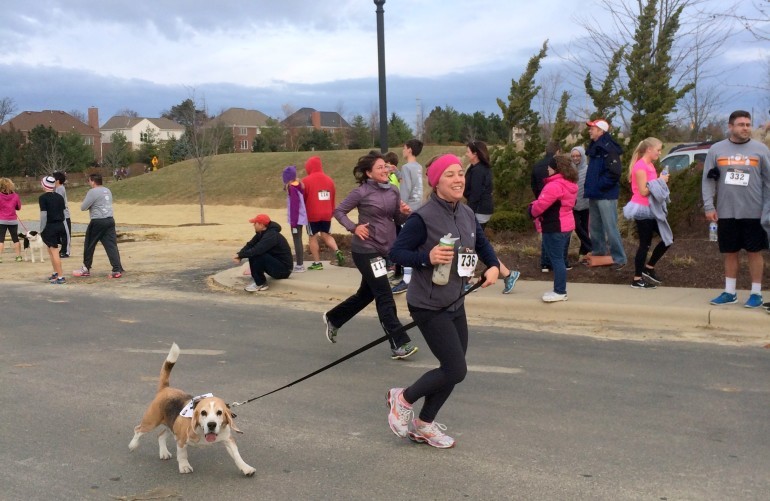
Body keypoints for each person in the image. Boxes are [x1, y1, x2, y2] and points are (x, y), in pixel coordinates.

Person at [387, 153, 501, 449]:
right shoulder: (422, 217)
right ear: (436, 182)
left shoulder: (466, 213)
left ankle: (424, 425)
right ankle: (403, 398)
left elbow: (482, 244)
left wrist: (492, 265)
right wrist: (427, 257)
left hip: (455, 301)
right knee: (455, 369)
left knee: (453, 368)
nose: (458, 179)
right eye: (450, 174)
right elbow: (396, 253)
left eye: (460, 173)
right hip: (428, 304)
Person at [322, 151, 418, 360]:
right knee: (384, 294)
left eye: (386, 166)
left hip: (384, 250)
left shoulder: (393, 190)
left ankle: (334, 318)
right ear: (369, 173)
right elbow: (339, 211)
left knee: (366, 294)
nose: (385, 170)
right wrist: (354, 227)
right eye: (380, 168)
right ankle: (399, 343)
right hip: (366, 250)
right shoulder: (361, 192)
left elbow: (397, 218)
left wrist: (406, 213)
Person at [702, 110, 770, 308]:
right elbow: (708, 180)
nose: (745, 128)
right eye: (741, 124)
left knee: (754, 252)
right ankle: (730, 292)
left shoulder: (760, 149)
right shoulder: (716, 149)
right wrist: (709, 206)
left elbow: (768, 181)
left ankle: (756, 294)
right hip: (726, 211)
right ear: (730, 126)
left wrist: (767, 208)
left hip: (754, 211)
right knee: (730, 252)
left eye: (748, 124)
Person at [464, 140, 520, 293]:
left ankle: (468, 280)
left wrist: (467, 213)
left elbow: (475, 195)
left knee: (471, 245)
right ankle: (507, 274)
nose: (466, 154)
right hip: (481, 209)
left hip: (478, 210)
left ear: (475, 154)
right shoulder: (478, 168)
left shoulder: (478, 171)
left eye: (468, 151)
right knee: (477, 245)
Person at [622, 138, 673, 289]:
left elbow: (652, 186)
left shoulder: (650, 165)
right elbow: (643, 191)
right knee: (645, 244)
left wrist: (660, 181)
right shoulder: (640, 166)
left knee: (668, 238)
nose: (659, 153)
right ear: (649, 149)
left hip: (653, 208)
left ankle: (649, 268)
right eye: (658, 150)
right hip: (643, 208)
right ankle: (637, 279)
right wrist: (660, 180)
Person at [528, 155, 578, 302]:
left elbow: (541, 205)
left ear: (556, 169)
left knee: (556, 259)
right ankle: (559, 288)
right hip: (566, 225)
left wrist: (531, 210)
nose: (547, 170)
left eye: (549, 167)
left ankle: (560, 291)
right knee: (559, 258)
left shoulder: (554, 185)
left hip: (555, 226)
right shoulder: (570, 183)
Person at [584, 118, 627, 269]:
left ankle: (619, 258)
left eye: (592, 128)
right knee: (595, 227)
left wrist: (599, 186)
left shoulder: (609, 148)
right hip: (595, 194)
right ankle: (599, 253)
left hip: (606, 195)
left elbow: (615, 173)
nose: (590, 130)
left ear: (601, 131)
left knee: (610, 227)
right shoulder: (596, 147)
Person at [72, 173, 125, 279]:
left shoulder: (92, 192)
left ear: (92, 181)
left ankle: (86, 268)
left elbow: (83, 207)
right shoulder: (107, 190)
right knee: (111, 245)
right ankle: (117, 269)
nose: (89, 183)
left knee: (89, 244)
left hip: (98, 221)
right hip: (110, 220)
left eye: (89, 181)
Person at [391, 139, 424, 294]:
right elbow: (411, 182)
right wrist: (397, 172)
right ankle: (414, 277)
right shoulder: (417, 167)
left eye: (404, 148)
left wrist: (400, 208)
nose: (403, 150)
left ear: (409, 149)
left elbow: (406, 189)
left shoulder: (406, 167)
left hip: (408, 210)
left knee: (405, 246)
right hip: (418, 208)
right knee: (414, 245)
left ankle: (407, 279)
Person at [301, 156, 344, 271]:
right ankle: (337, 251)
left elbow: (302, 198)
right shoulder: (329, 180)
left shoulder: (306, 181)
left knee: (312, 237)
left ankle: (317, 263)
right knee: (326, 235)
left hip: (312, 214)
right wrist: (331, 210)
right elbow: (333, 196)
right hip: (327, 213)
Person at [233, 213, 293, 292]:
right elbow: (250, 245)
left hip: (284, 271)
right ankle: (259, 281)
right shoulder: (261, 233)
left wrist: (240, 255)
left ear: (261, 225)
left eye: (255, 223)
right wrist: (239, 255)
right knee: (254, 253)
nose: (253, 225)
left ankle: (260, 283)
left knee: (257, 254)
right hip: (275, 265)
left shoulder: (271, 235)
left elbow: (257, 250)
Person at [531, 141, 567, 272]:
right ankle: (559, 262)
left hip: (541, 202)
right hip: (557, 204)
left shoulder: (537, 166)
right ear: (557, 151)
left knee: (545, 233)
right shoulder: (560, 166)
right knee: (558, 236)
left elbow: (534, 185)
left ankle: (545, 262)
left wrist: (538, 199)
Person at [38, 176, 67, 284]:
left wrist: (41, 229)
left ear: (44, 185)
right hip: (60, 225)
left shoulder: (43, 198)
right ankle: (56, 272)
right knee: (50, 249)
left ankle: (60, 277)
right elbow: (63, 212)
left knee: (54, 251)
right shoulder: (59, 197)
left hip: (50, 226)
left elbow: (43, 215)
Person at [282, 165, 308, 273]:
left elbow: (294, 207)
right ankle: (300, 264)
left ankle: (300, 265)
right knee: (298, 239)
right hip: (300, 218)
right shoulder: (297, 185)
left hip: (296, 219)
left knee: (297, 240)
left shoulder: (292, 188)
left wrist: (293, 222)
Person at [570, 146, 592, 261]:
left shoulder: (588, 169)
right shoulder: (569, 170)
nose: (575, 158)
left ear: (582, 156)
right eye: (573, 156)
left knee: (584, 227)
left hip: (586, 202)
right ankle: (590, 246)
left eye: (578, 156)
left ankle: (584, 253)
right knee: (576, 226)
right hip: (573, 204)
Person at [0, 177, 23, 263]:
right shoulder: (15, 196)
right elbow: (18, 207)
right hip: (13, 220)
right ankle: (18, 256)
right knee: (15, 238)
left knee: (1, 239)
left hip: (2, 220)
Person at [52, 171, 71, 258]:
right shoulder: (57, 189)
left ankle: (66, 251)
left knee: (66, 234)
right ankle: (63, 249)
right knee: (61, 234)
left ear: (57, 180)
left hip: (64, 215)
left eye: (54, 179)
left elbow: (58, 203)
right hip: (60, 215)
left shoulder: (60, 188)